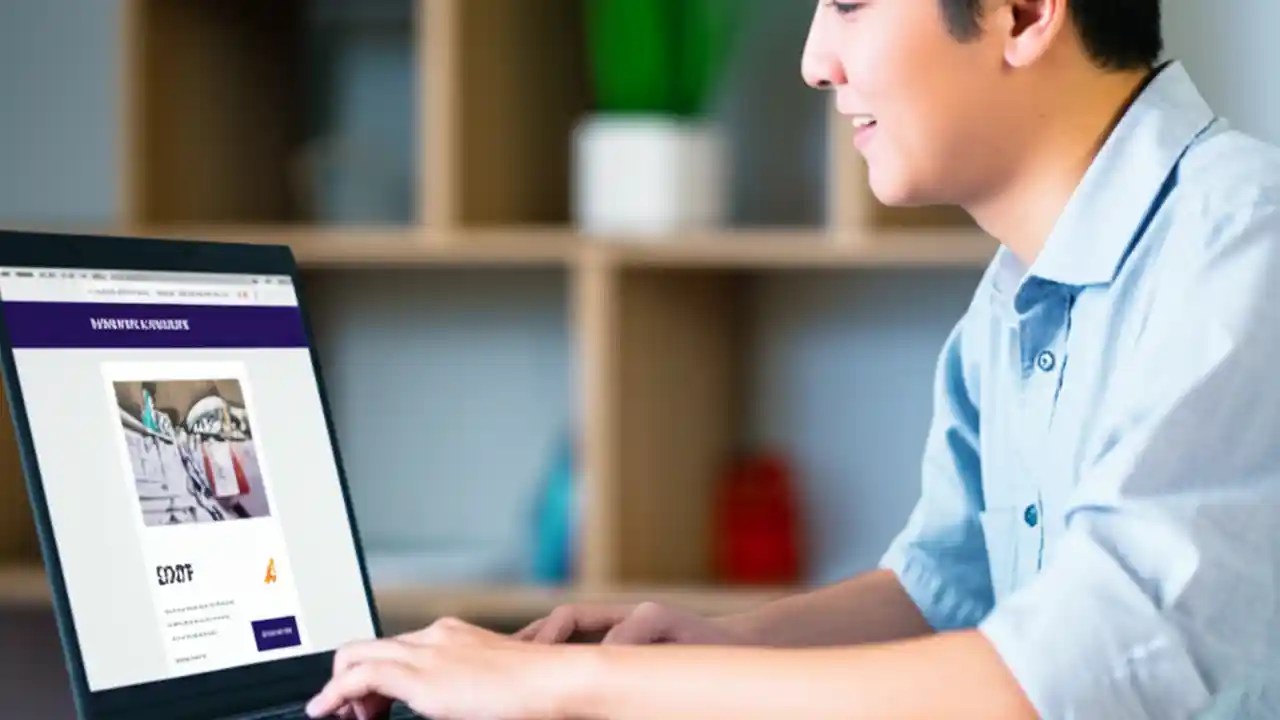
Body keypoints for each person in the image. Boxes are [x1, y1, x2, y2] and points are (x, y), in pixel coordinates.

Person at [307, 0, 1280, 717]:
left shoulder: (1242, 244)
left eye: (848, 5)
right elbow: (947, 589)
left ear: (1020, 14)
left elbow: (1075, 668)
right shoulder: (1015, 289)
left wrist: (573, 688)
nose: (815, 61)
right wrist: (702, 646)